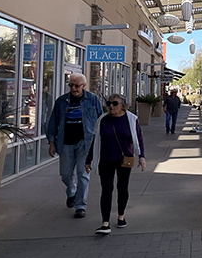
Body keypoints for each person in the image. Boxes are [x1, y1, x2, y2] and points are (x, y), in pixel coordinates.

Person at [85, 94, 146, 235]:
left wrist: (142, 156)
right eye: (109, 103)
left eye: (115, 103)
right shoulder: (102, 120)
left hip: (125, 159)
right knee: (106, 189)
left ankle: (121, 216)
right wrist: (89, 159)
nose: (111, 106)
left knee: (122, 188)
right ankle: (105, 223)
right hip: (106, 160)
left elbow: (139, 138)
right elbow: (95, 141)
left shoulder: (131, 119)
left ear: (123, 105)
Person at [46, 73, 103, 219]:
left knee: (83, 174)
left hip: (85, 142)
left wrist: (100, 142)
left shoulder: (92, 99)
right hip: (65, 142)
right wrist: (51, 142)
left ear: (84, 86)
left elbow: (100, 121)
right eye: (71, 85)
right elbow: (53, 122)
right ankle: (72, 191)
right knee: (65, 174)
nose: (73, 88)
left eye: (77, 85)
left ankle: (80, 206)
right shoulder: (61, 101)